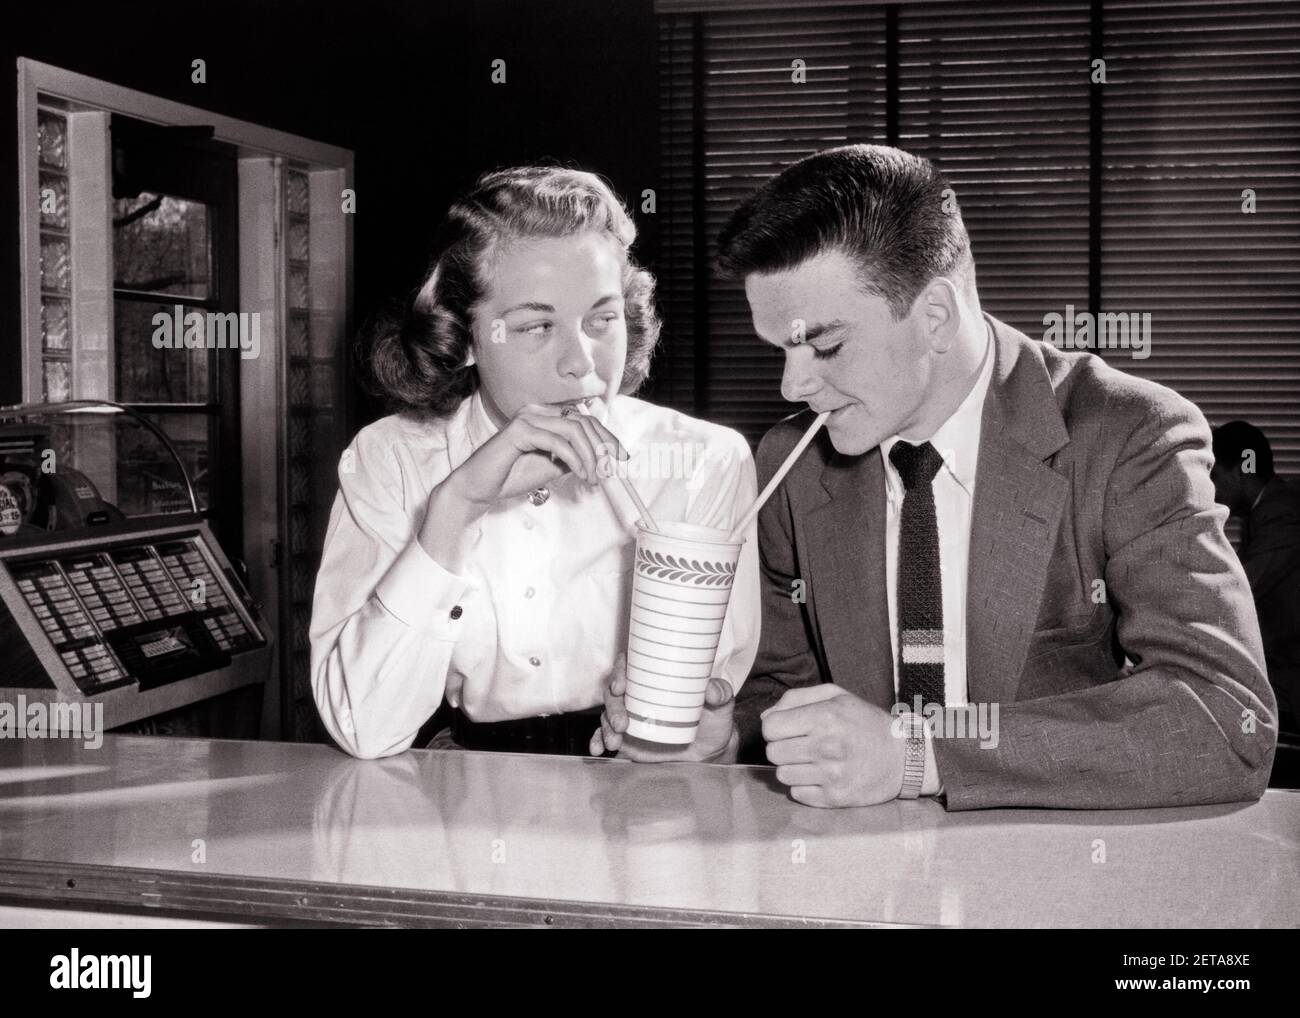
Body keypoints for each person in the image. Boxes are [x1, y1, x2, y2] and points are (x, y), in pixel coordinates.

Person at [594, 144, 1277, 810]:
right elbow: (779, 692)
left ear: (936, 317)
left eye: (824, 346)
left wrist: (920, 754)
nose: (794, 383)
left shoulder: (1127, 435)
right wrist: (730, 737)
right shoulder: (790, 464)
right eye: (781, 349)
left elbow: (1222, 717)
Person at [311, 166, 759, 759]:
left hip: (642, 798)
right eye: (537, 326)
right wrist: (456, 505)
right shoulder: (389, 458)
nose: (582, 363)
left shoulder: (704, 462)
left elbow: (702, 720)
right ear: (463, 334)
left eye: (602, 319)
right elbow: (364, 728)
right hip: (461, 804)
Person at [1211, 421, 1300, 733]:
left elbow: (1239, 590)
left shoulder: (1281, 515)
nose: (1210, 489)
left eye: (1215, 475)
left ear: (1242, 469)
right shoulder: (1265, 512)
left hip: (1289, 678)